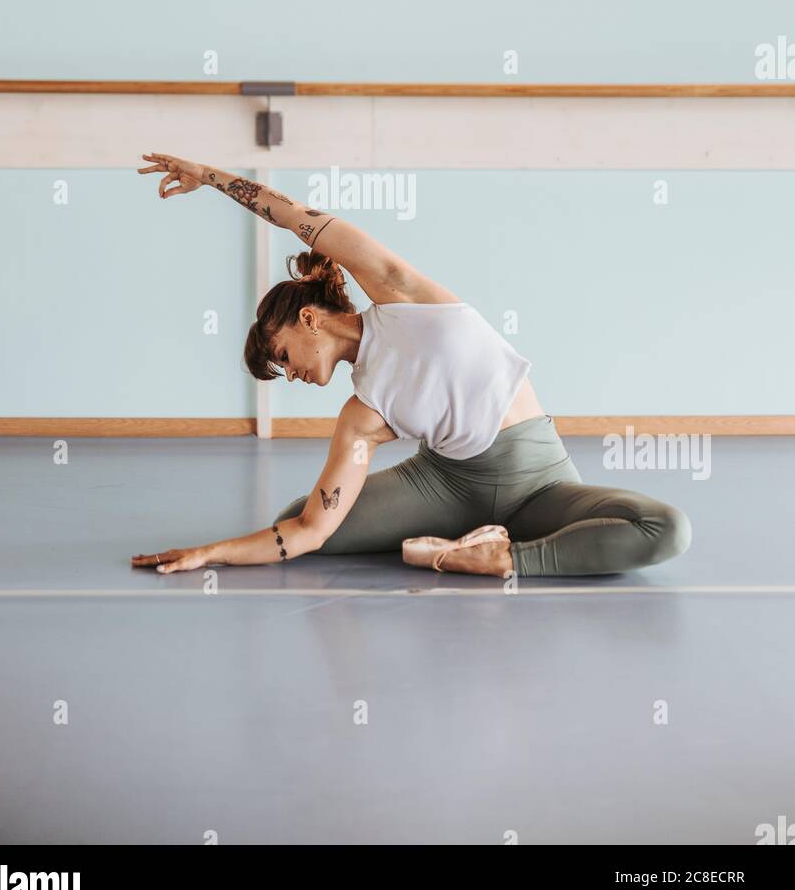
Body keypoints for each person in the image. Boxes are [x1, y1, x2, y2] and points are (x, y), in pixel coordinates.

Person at [131, 153, 692, 579]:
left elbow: (294, 217)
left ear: (308, 318)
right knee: (299, 511)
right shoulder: (361, 415)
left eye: (281, 357)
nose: (289, 373)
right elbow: (307, 531)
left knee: (665, 529)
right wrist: (212, 553)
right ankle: (472, 541)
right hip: (445, 485)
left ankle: (498, 557)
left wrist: (208, 176)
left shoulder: (401, 297)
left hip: (538, 481)